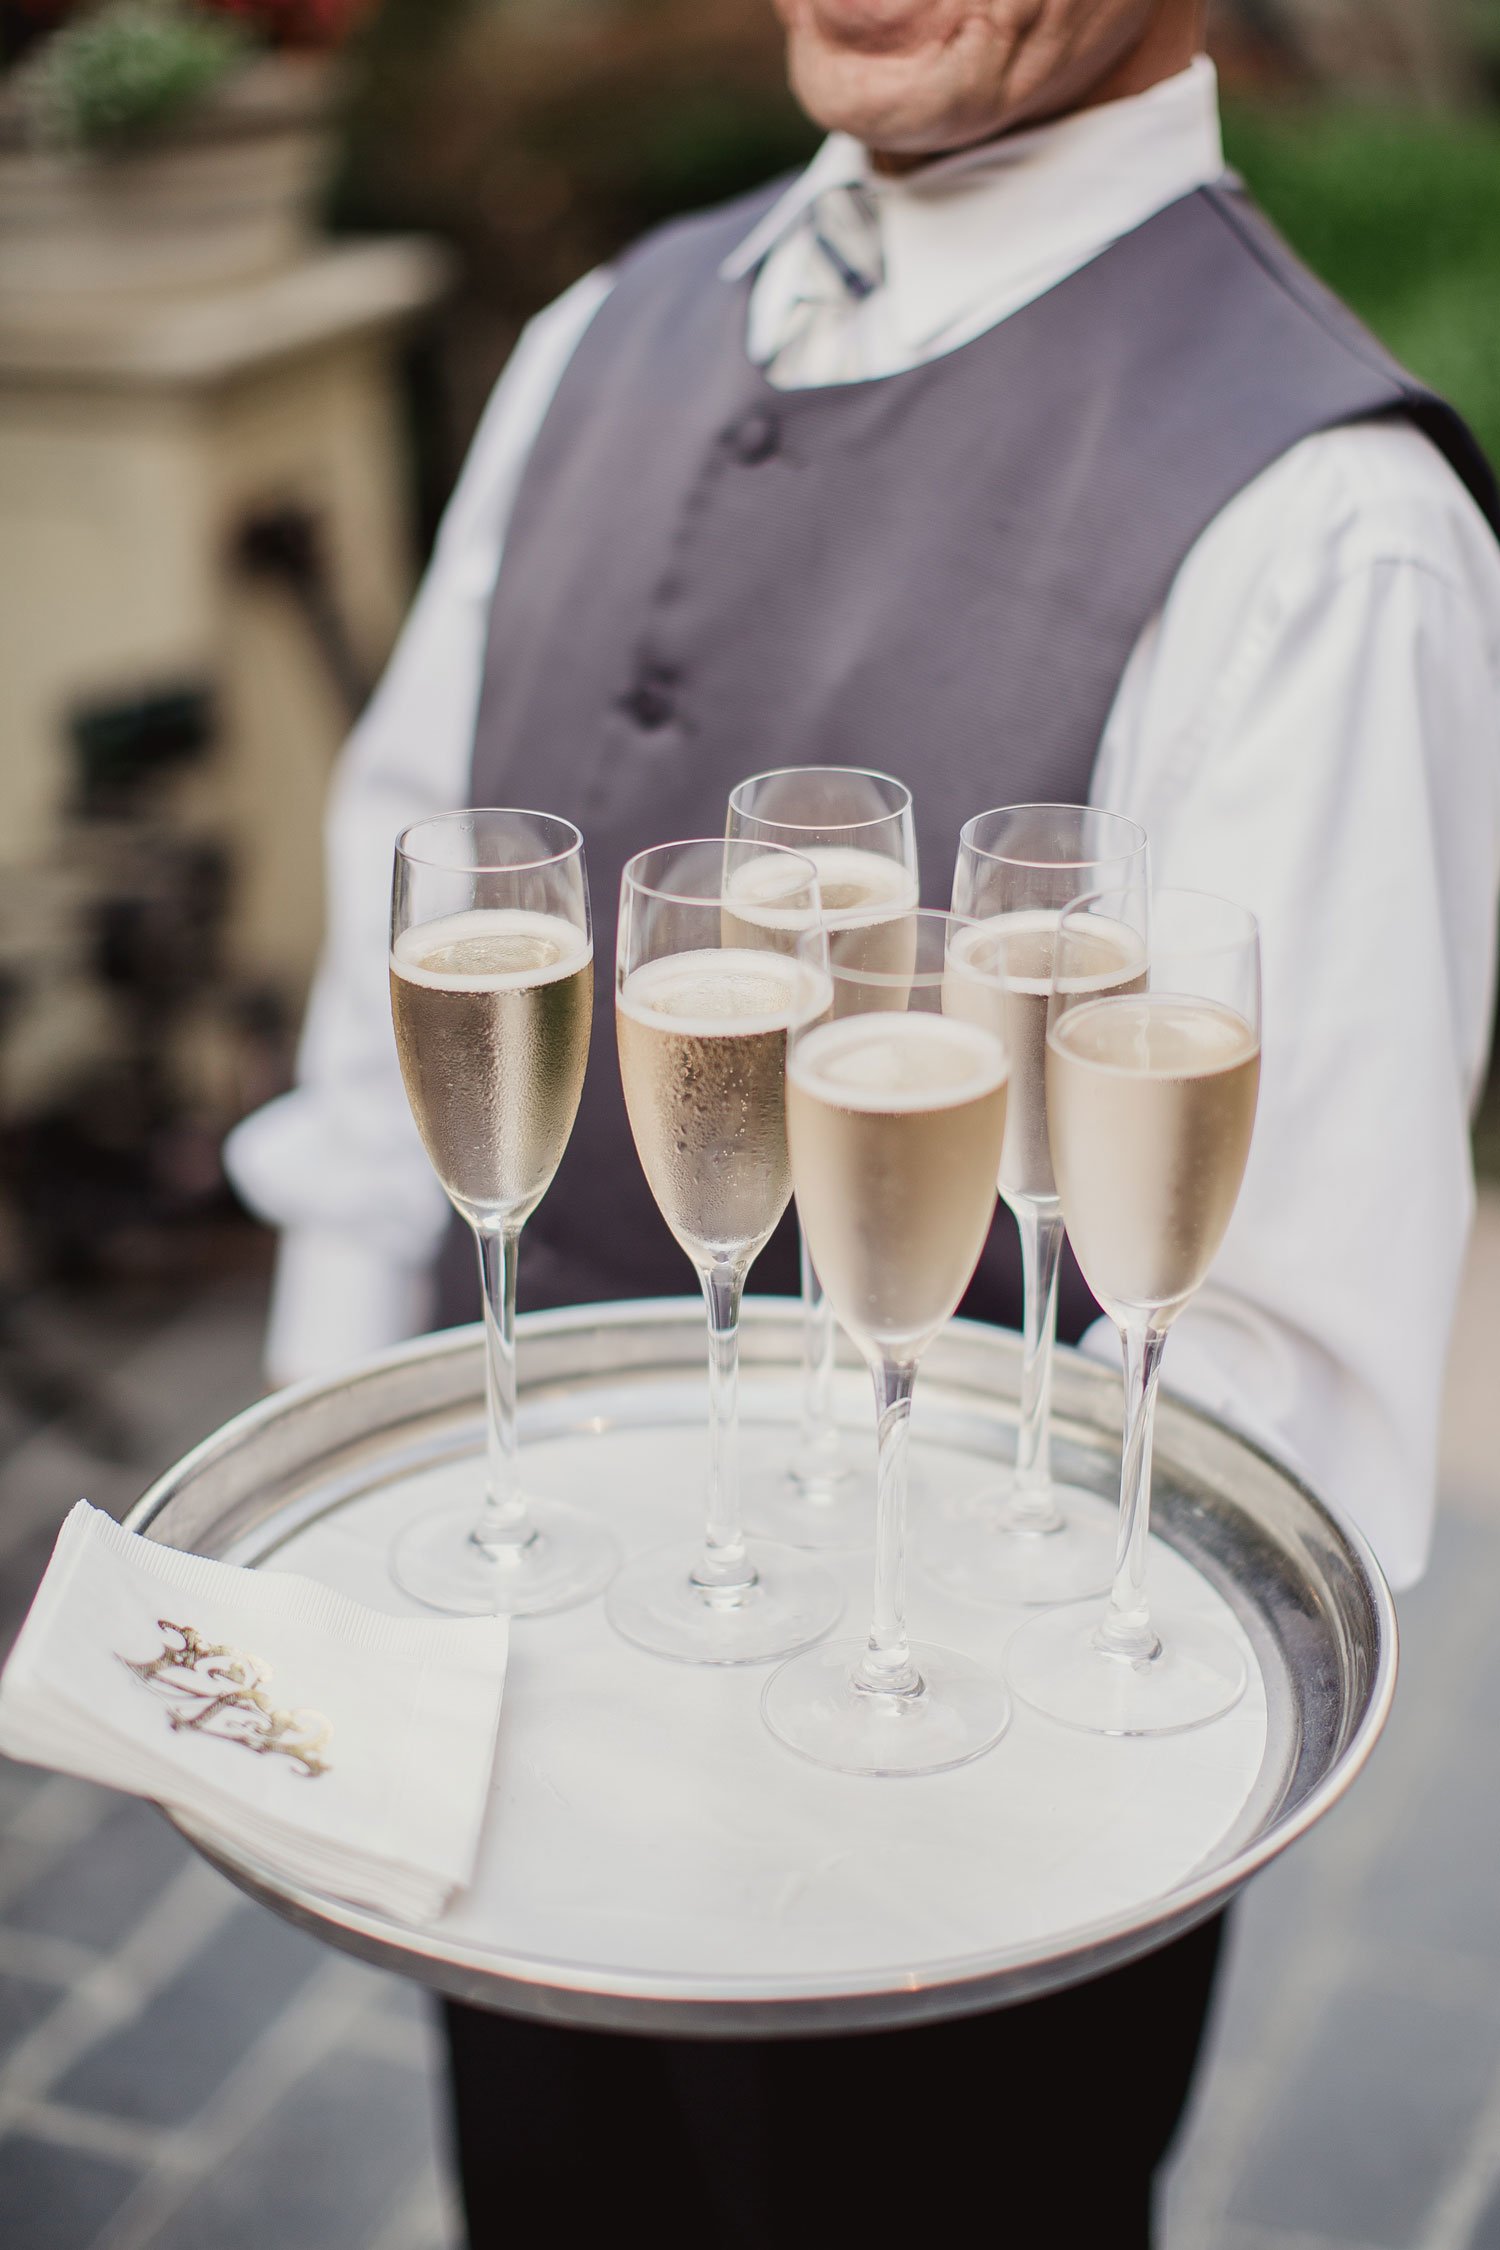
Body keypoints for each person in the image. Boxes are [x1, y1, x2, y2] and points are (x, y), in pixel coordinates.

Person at [226, 0, 1500, 2241]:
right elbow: (395, 917)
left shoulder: (1328, 530)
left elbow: (1269, 1391)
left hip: (940, 1888)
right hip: (502, 1739)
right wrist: (344, 1530)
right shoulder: (595, 335)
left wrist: (893, 1809)